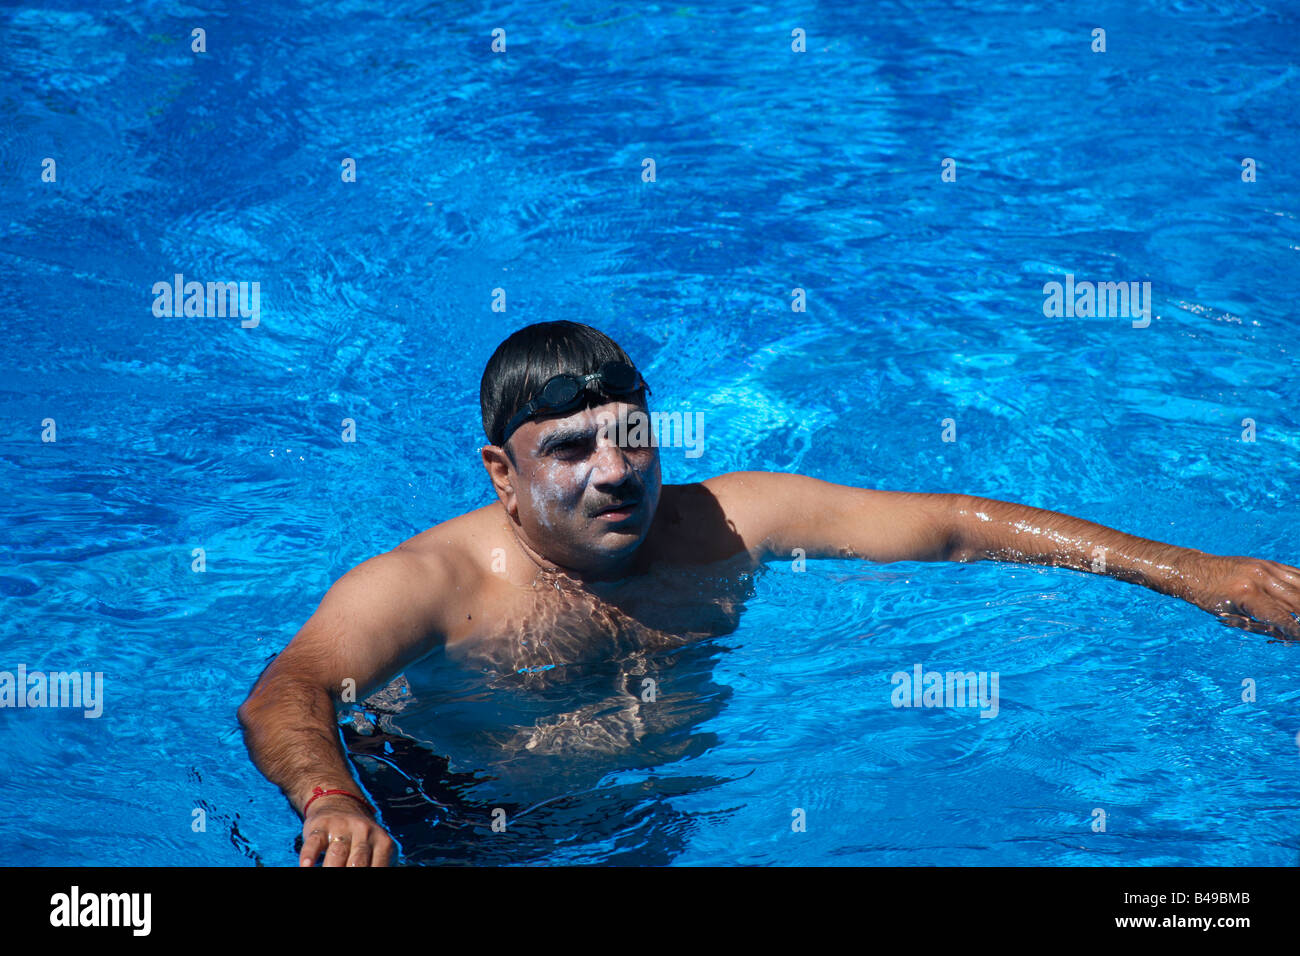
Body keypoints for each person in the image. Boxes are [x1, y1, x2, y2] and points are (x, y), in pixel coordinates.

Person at [236, 320, 1300, 867]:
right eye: (569, 449)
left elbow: (958, 525)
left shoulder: (728, 520)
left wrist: (1194, 573)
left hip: (645, 813)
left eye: (631, 436)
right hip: (450, 816)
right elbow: (290, 687)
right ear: (498, 473)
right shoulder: (433, 581)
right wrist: (335, 801)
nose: (616, 470)